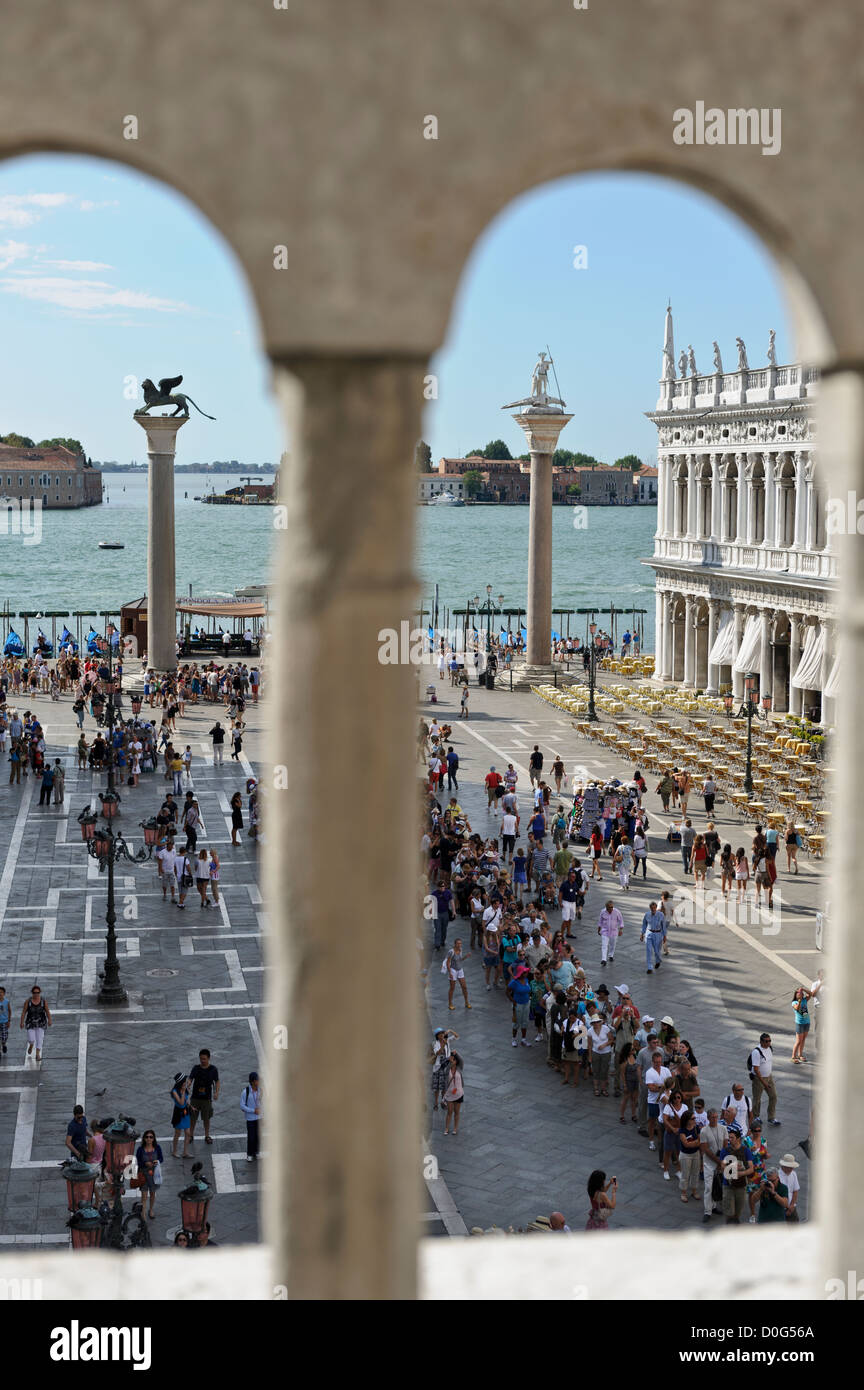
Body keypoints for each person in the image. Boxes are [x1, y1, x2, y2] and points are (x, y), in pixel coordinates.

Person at [699, 1109, 729, 1223]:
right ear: (708, 1118)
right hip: (708, 1163)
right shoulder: (704, 1131)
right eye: (713, 1117)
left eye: (716, 1117)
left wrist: (722, 1162)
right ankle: (707, 1211)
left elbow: (726, 1146)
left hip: (720, 1162)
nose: (715, 1119)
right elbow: (705, 1149)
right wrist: (718, 1161)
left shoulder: (723, 1128)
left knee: (716, 1184)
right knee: (708, 1187)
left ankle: (714, 1206)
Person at [188, 1048, 220, 1145]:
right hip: (195, 1098)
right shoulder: (196, 1068)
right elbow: (190, 1078)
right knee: (192, 1118)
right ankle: (190, 1135)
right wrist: (188, 1084)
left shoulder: (213, 1069)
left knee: (206, 1118)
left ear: (209, 1058)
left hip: (206, 1098)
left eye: (204, 1059)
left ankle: (207, 1135)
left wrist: (216, 1092)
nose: (202, 1061)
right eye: (201, 1059)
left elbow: (217, 1081)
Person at [750, 1031, 780, 1125]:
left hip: (769, 1077)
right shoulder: (756, 1052)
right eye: (766, 1041)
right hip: (759, 1079)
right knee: (757, 1099)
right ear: (761, 1041)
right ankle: (756, 1116)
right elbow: (756, 1069)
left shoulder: (769, 1048)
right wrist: (764, 1083)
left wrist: (768, 1079)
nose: (768, 1043)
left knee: (773, 1096)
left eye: (769, 1041)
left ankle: (771, 1117)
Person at [135, 1129, 164, 1219]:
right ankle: (143, 1212)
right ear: (144, 1139)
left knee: (152, 1193)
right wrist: (145, 1163)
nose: (149, 1139)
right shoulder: (140, 1149)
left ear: (153, 1139)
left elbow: (161, 1159)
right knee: (144, 1195)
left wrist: (157, 1161)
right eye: (147, 1137)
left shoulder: (157, 1148)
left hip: (153, 1175)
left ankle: (151, 1210)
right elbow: (137, 1162)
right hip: (143, 1174)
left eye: (151, 1137)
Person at [20, 984, 51, 1061]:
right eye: (34, 992)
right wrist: (22, 1022)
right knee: (31, 1038)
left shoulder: (43, 1001)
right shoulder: (28, 1002)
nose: (36, 994)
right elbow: (24, 1012)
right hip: (30, 1023)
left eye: (37, 992)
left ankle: (37, 1054)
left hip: (41, 1022)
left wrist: (49, 1020)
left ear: (40, 993)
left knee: (40, 1039)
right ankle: (31, 1045)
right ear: (32, 993)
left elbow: (47, 1011)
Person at [430, 1027, 457, 1112]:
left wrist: (450, 1030)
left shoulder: (447, 1040)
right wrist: (443, 1046)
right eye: (440, 1034)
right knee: (437, 1087)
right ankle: (435, 1103)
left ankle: (443, 1101)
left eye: (443, 1033)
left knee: (444, 1086)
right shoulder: (435, 1044)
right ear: (437, 1036)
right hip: (438, 1067)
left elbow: (456, 1036)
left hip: (446, 1066)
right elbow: (437, 1053)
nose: (442, 1035)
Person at [443, 938, 471, 1011]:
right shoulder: (451, 952)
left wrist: (466, 956)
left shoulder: (460, 950)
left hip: (460, 969)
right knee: (452, 988)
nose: (459, 945)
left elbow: (460, 959)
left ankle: (466, 1002)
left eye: (460, 943)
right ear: (455, 944)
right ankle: (450, 1003)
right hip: (453, 970)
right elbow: (448, 963)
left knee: (464, 986)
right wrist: (450, 973)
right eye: (458, 943)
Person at [240, 1071, 262, 1162]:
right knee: (251, 1137)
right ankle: (249, 1154)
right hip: (250, 1118)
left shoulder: (261, 1090)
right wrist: (253, 1110)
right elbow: (242, 1106)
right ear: (252, 1081)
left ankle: (256, 1152)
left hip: (259, 1117)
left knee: (258, 1136)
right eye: (257, 1080)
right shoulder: (246, 1092)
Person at [170, 1073, 192, 1158]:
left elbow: (185, 1101)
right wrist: (182, 1092)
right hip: (178, 1113)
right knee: (177, 1133)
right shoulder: (174, 1092)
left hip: (186, 1112)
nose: (186, 1082)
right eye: (184, 1081)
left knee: (188, 1133)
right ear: (181, 1082)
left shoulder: (185, 1088)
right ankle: (174, 1151)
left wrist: (190, 1106)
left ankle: (185, 1152)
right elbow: (181, 1102)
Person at [443, 1051, 464, 1135]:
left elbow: (461, 1060)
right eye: (452, 1060)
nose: (453, 1061)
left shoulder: (459, 1068)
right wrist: (449, 1059)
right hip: (449, 1094)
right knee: (449, 1112)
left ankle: (455, 1128)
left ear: (456, 1061)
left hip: (459, 1093)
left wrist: (457, 1053)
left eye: (454, 1060)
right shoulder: (447, 1070)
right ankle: (446, 1128)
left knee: (456, 1112)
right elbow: (444, 1063)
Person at [640, 901, 665, 973]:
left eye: (654, 908)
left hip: (658, 934)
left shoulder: (661, 915)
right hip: (649, 933)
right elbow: (644, 924)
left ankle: (658, 961)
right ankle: (649, 967)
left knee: (657, 951)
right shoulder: (647, 914)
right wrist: (642, 934)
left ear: (656, 907)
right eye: (652, 908)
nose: (653, 909)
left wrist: (664, 936)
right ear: (650, 908)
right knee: (649, 950)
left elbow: (663, 926)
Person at [597, 900, 623, 966]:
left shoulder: (617, 912)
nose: (611, 908)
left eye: (612, 907)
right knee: (604, 945)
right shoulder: (603, 912)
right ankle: (603, 959)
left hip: (614, 932)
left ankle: (611, 955)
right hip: (605, 931)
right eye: (609, 907)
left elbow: (621, 921)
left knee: (612, 945)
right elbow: (600, 921)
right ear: (606, 907)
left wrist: (620, 930)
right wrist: (599, 929)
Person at [778, 1153, 801, 1221]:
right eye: (790, 1167)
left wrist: (791, 1206)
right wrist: (788, 1208)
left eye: (792, 1167)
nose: (792, 1169)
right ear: (784, 1166)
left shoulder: (793, 1174)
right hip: (780, 1208)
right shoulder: (777, 1176)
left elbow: (795, 1191)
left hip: (792, 1206)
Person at [792, 986, 811, 1063]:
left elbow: (811, 994)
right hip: (799, 1023)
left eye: (801, 993)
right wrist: (799, 1000)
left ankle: (800, 1055)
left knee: (803, 1040)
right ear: (796, 995)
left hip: (807, 1022)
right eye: (799, 993)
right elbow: (797, 1008)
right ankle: (793, 1056)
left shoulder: (804, 1000)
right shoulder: (794, 1002)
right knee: (798, 1041)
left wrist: (803, 989)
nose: (801, 994)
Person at [0, 985, 9, 1054]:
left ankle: (4, 1045)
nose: (0, 994)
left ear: (4, 993)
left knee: (4, 1037)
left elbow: (9, 1011)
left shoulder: (6, 1001)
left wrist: (8, 1020)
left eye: (1, 992)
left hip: (4, 1022)